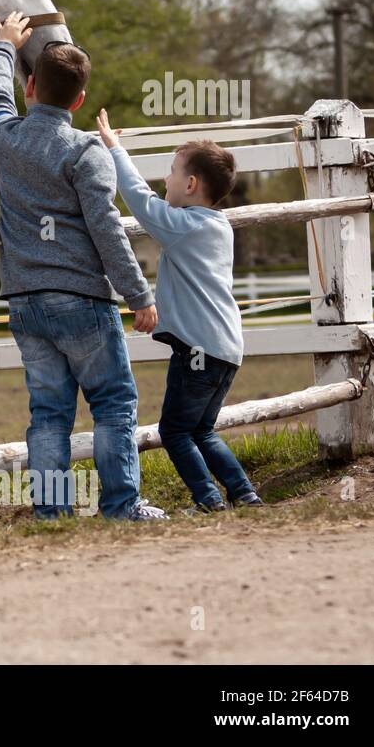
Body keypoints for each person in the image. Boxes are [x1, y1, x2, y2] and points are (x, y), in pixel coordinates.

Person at [0, 13, 166, 520]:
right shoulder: (86, 150)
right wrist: (139, 295)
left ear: (32, 87)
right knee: (112, 404)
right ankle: (122, 507)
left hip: (24, 300)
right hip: (82, 299)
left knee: (48, 415)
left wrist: (2, 46)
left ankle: (51, 513)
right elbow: (107, 231)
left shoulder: (7, 138)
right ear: (80, 101)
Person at [96, 110, 263, 513]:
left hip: (199, 352)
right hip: (224, 349)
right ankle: (244, 493)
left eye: (172, 172)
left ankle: (208, 500)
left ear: (190, 185)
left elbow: (140, 201)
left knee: (174, 431)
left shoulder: (186, 225)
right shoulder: (216, 224)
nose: (165, 180)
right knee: (201, 430)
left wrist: (115, 150)